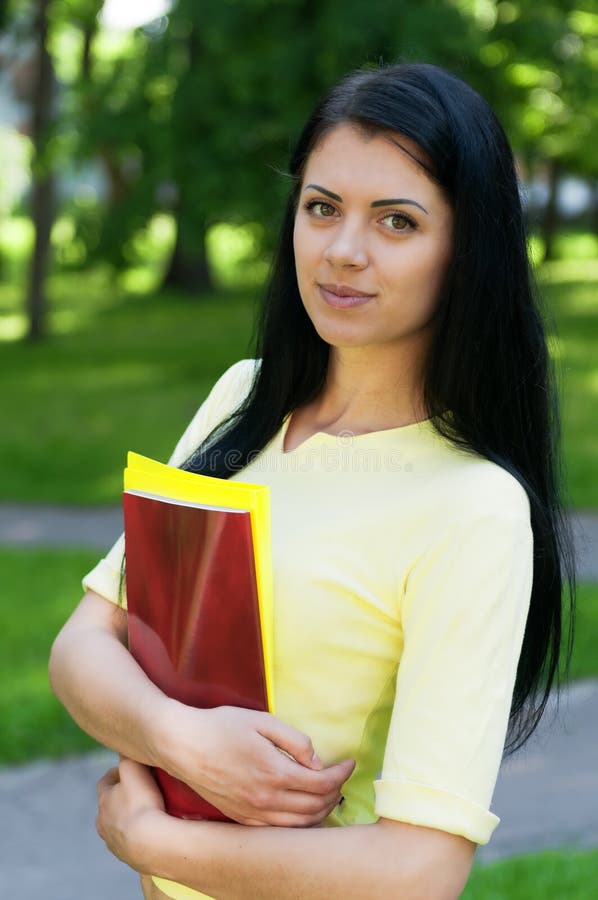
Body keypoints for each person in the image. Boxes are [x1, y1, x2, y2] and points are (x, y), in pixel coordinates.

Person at [49, 61, 576, 900]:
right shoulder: (242, 400)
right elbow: (82, 648)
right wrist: (181, 740)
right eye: (322, 207)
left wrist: (153, 840)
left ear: (466, 250)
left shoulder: (472, 507)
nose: (344, 251)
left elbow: (420, 870)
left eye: (397, 222)